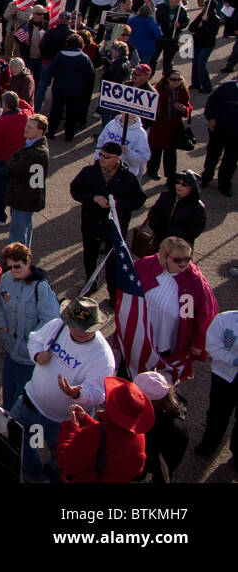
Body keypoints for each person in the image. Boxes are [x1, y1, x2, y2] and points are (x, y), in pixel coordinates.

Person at [11, 297, 116, 483]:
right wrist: (36, 354)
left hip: (62, 421)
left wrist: (77, 393)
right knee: (15, 444)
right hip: (30, 403)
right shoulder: (57, 326)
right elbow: (35, 339)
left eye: (85, 329)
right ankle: (30, 477)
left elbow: (99, 393)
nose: (78, 331)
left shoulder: (102, 356)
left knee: (59, 462)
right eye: (75, 326)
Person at [117, 236, 218, 382]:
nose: (184, 263)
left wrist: (199, 342)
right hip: (139, 335)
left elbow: (206, 314)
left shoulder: (194, 283)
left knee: (156, 383)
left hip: (164, 341)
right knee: (126, 373)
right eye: (178, 259)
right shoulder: (146, 266)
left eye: (187, 258)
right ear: (164, 257)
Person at [69, 142, 147, 289]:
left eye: (107, 156)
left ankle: (113, 290)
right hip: (91, 222)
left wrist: (118, 203)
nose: (102, 159)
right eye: (101, 155)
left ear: (117, 158)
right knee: (90, 256)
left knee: (113, 260)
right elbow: (75, 189)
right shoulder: (89, 172)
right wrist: (93, 198)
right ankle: (90, 283)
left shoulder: (127, 177)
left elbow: (139, 199)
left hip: (115, 225)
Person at [0, 242, 60, 412]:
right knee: (8, 391)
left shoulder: (42, 288)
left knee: (24, 397)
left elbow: (51, 321)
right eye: (9, 266)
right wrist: (2, 326)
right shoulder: (7, 279)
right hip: (10, 348)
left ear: (28, 262)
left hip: (29, 356)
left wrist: (33, 341)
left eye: (17, 266)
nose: (13, 270)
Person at [0, 90, 33, 227]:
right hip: (22, 160)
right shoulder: (27, 116)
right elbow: (29, 107)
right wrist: (17, 99)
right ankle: (17, 216)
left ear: (4, 106)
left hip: (2, 161)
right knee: (18, 188)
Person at [196, 309, 238, 463]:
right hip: (223, 377)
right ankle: (210, 443)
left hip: (224, 374)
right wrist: (233, 361)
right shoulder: (224, 320)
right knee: (217, 413)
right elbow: (212, 346)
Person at [4, 113, 49, 249]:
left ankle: (15, 260)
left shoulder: (37, 152)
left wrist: (14, 161)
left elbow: (13, 166)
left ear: (40, 131)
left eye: (30, 127)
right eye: (27, 126)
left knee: (17, 232)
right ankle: (23, 256)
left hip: (24, 198)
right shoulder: (32, 147)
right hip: (25, 196)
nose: (26, 129)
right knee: (24, 229)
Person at [145, 69, 192, 181]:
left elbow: (188, 107)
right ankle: (152, 171)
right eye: (173, 79)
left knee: (171, 153)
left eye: (179, 79)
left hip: (173, 126)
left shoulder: (182, 90)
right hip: (159, 125)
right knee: (155, 150)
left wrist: (184, 110)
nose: (177, 82)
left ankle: (171, 176)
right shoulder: (158, 90)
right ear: (167, 80)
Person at [46, 34, 95, 142]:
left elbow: (51, 70)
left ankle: (51, 132)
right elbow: (91, 74)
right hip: (76, 91)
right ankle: (69, 135)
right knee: (72, 113)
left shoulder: (60, 55)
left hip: (59, 88)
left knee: (56, 111)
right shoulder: (84, 58)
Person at [142, 170, 207, 248]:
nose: (179, 186)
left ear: (192, 188)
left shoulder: (198, 208)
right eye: (177, 182)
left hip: (180, 247)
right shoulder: (166, 196)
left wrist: (169, 232)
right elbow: (153, 213)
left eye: (184, 184)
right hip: (159, 241)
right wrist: (158, 227)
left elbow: (194, 231)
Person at [201, 78, 237, 196]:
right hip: (218, 130)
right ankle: (206, 178)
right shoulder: (226, 87)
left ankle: (224, 184)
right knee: (213, 154)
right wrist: (210, 118)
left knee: (231, 160)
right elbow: (210, 102)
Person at [95, 111, 151, 178]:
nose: (129, 115)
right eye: (127, 111)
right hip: (104, 170)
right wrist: (97, 159)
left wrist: (128, 152)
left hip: (125, 175)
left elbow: (142, 159)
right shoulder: (112, 124)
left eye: (132, 112)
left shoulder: (140, 134)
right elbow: (100, 143)